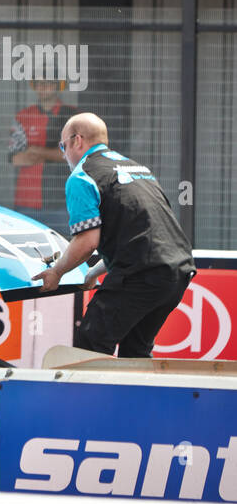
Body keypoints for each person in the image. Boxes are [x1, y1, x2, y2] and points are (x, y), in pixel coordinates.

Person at [33, 112, 195, 358]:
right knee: (135, 352)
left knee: (91, 344)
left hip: (142, 275)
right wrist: (93, 272)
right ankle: (137, 397)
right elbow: (137, 234)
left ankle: (91, 398)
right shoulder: (136, 168)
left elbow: (87, 242)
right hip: (177, 272)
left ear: (77, 141)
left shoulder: (82, 175)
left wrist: (56, 272)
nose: (64, 154)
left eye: (62, 145)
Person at [8, 78, 75, 233]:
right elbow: (15, 158)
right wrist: (54, 153)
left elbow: (72, 154)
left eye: (49, 83)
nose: (43, 87)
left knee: (65, 249)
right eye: (38, 83)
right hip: (27, 199)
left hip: (61, 200)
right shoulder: (23, 116)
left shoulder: (72, 115)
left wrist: (36, 151)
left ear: (58, 86)